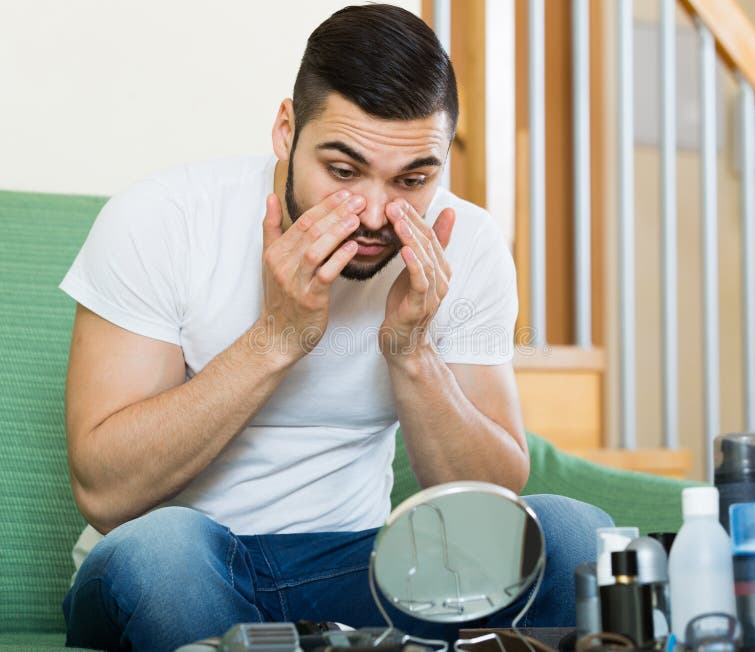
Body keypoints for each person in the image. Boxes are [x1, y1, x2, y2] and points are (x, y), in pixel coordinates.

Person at [60, 5, 611, 651]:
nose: (376, 214)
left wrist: (411, 353)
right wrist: (277, 338)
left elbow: (489, 496)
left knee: (570, 534)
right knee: (162, 549)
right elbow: (106, 493)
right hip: (182, 565)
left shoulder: (467, 243)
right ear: (285, 130)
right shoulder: (162, 219)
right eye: (344, 172)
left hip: (359, 571)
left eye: (413, 178)